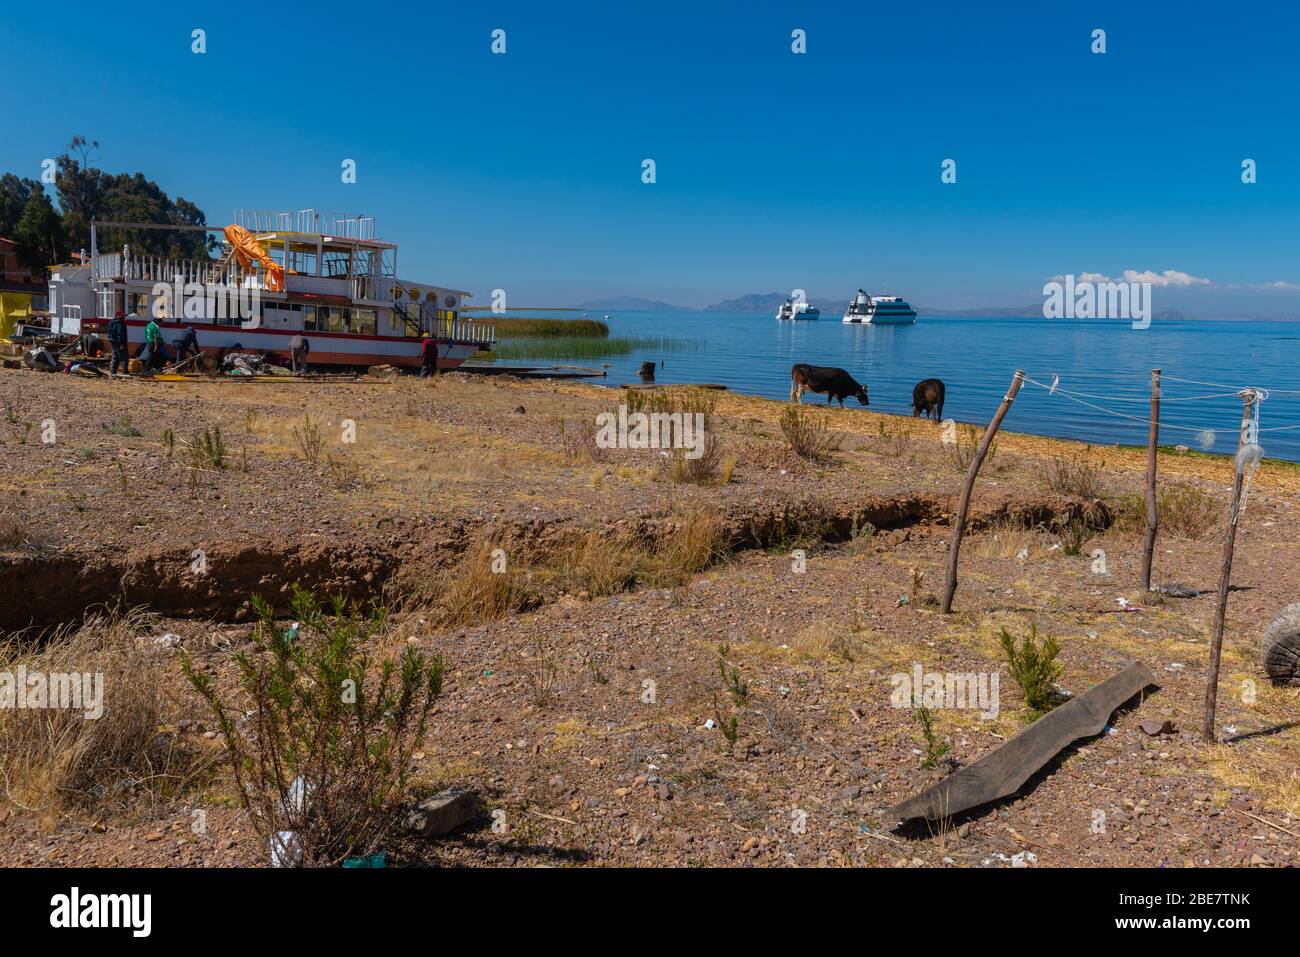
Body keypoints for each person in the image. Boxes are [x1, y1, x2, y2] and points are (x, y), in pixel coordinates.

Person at [107, 311, 129, 376]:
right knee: (124, 357)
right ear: (118, 316)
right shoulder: (120, 324)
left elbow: (109, 332)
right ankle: (125, 372)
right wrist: (122, 343)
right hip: (120, 342)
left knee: (115, 356)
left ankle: (113, 372)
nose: (124, 317)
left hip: (112, 342)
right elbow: (120, 334)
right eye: (122, 316)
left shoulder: (111, 322)